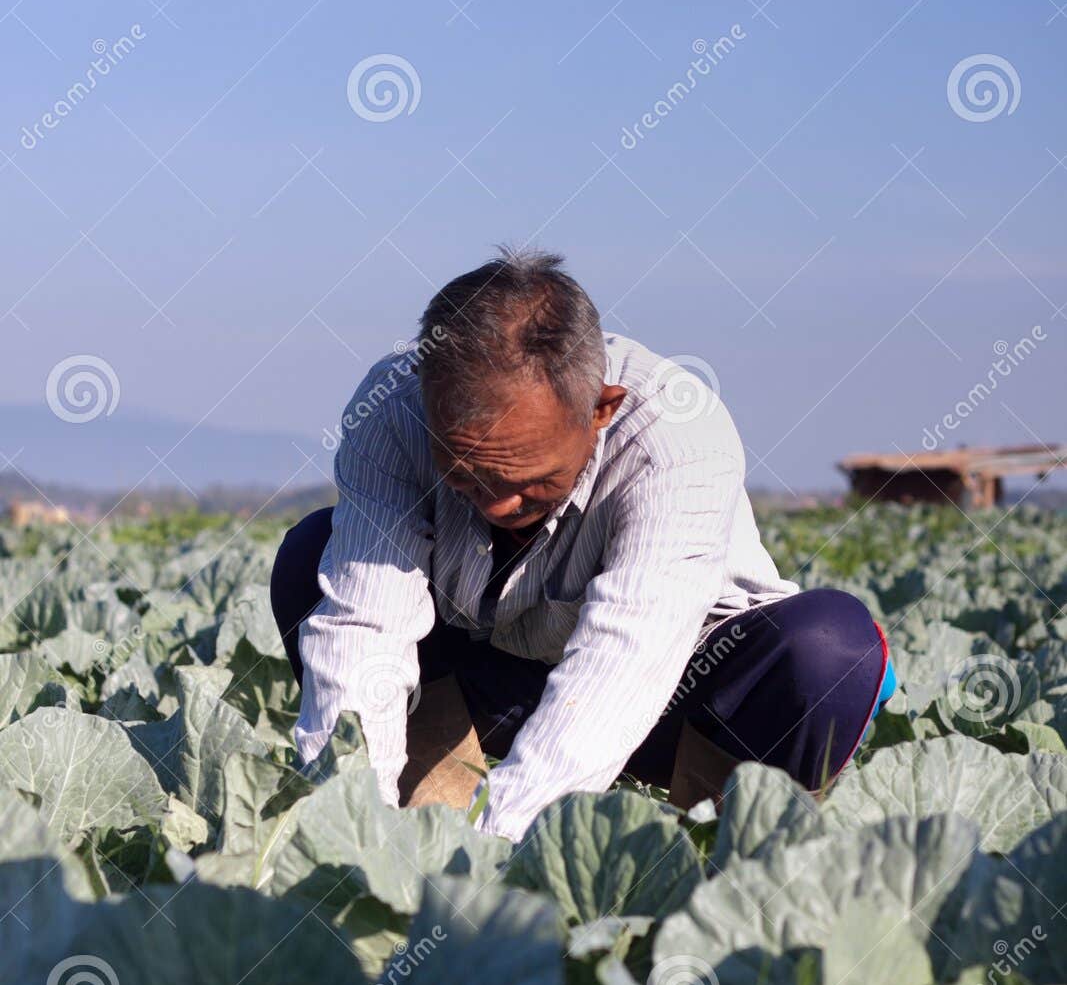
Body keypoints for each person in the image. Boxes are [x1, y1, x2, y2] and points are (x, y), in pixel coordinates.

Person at [270, 247, 893, 842]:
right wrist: (348, 827)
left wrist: (507, 845)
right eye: (463, 471)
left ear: (602, 410)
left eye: (530, 480)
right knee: (311, 557)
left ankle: (700, 859)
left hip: (677, 697)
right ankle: (424, 821)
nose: (494, 505)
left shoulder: (675, 437)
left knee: (827, 646)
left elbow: (626, 659)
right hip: (501, 680)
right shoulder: (392, 412)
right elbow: (364, 627)